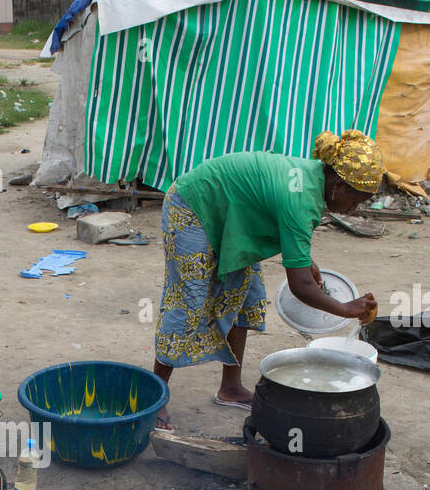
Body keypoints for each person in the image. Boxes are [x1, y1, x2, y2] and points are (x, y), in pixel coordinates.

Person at [152, 130, 381, 429]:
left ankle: (230, 388)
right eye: (356, 201)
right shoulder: (301, 200)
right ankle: (154, 398)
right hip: (194, 206)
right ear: (338, 185)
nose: (355, 209)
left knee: (245, 298)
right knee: (188, 304)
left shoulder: (311, 180)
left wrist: (305, 260)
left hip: (232, 215)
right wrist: (345, 309)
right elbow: (300, 286)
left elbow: (272, 209)